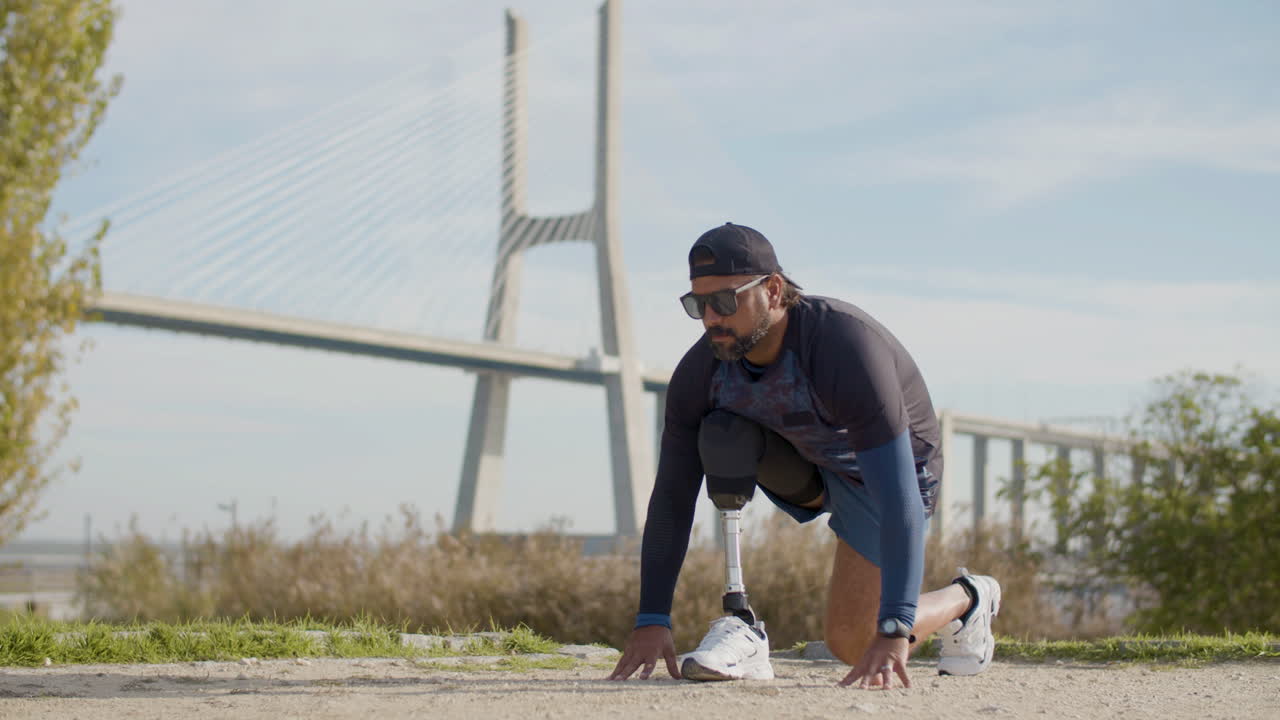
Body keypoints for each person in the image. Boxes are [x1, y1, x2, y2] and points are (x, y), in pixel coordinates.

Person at [607, 222, 1001, 689]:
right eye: (698, 304)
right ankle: (742, 623)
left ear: (773, 290)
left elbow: (900, 500)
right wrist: (652, 617)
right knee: (721, 431)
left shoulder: (844, 347)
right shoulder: (702, 372)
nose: (712, 318)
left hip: (878, 476)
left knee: (855, 642)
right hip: (806, 465)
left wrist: (895, 627)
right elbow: (672, 497)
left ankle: (969, 599)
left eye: (726, 301)